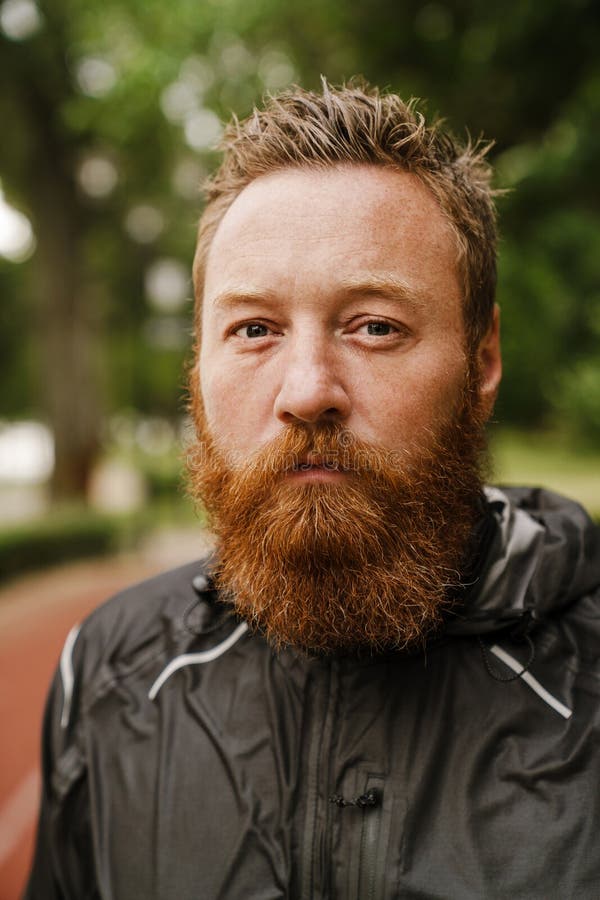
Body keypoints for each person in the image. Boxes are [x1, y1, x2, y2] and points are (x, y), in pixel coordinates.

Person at [26, 80, 599, 899]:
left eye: (375, 326)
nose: (307, 391)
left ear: (484, 357)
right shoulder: (109, 672)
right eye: (253, 329)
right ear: (198, 366)